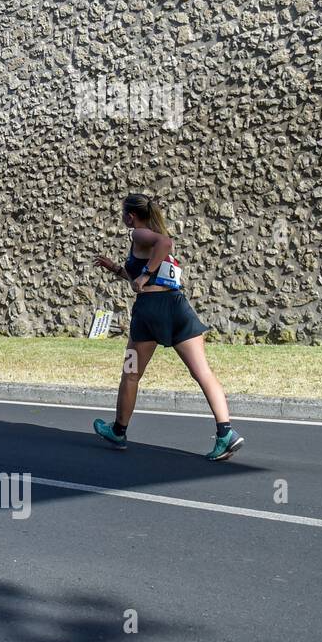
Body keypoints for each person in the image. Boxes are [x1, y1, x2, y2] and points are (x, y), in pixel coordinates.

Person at [92, 193, 243, 461]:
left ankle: (118, 431)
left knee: (130, 373)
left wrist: (146, 274)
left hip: (150, 311)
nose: (122, 218)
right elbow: (138, 272)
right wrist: (116, 268)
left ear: (130, 216)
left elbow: (165, 244)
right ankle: (225, 432)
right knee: (203, 373)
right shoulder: (149, 238)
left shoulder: (138, 234)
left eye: (122, 213)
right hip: (177, 306)